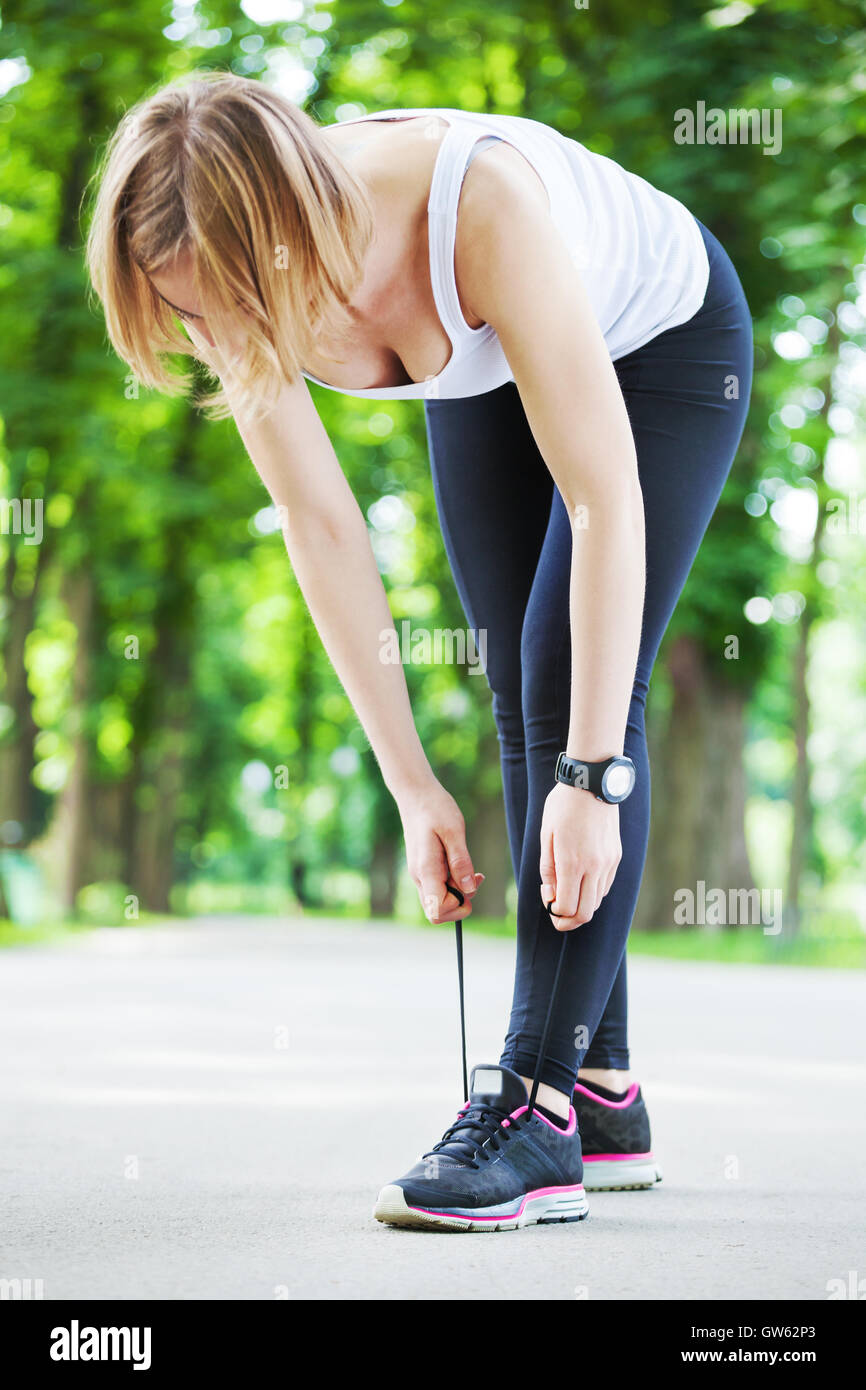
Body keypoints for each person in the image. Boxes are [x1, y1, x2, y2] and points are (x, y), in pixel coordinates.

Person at [86, 71, 752, 1232]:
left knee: (570, 690)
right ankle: (603, 1088)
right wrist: (407, 782)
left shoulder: (479, 208)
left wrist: (593, 776)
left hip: (661, 340)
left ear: (289, 231)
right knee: (514, 687)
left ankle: (533, 1109)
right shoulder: (224, 273)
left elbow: (604, 505)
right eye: (187, 314)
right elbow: (322, 524)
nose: (218, 335)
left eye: (230, 302)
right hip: (479, 350)